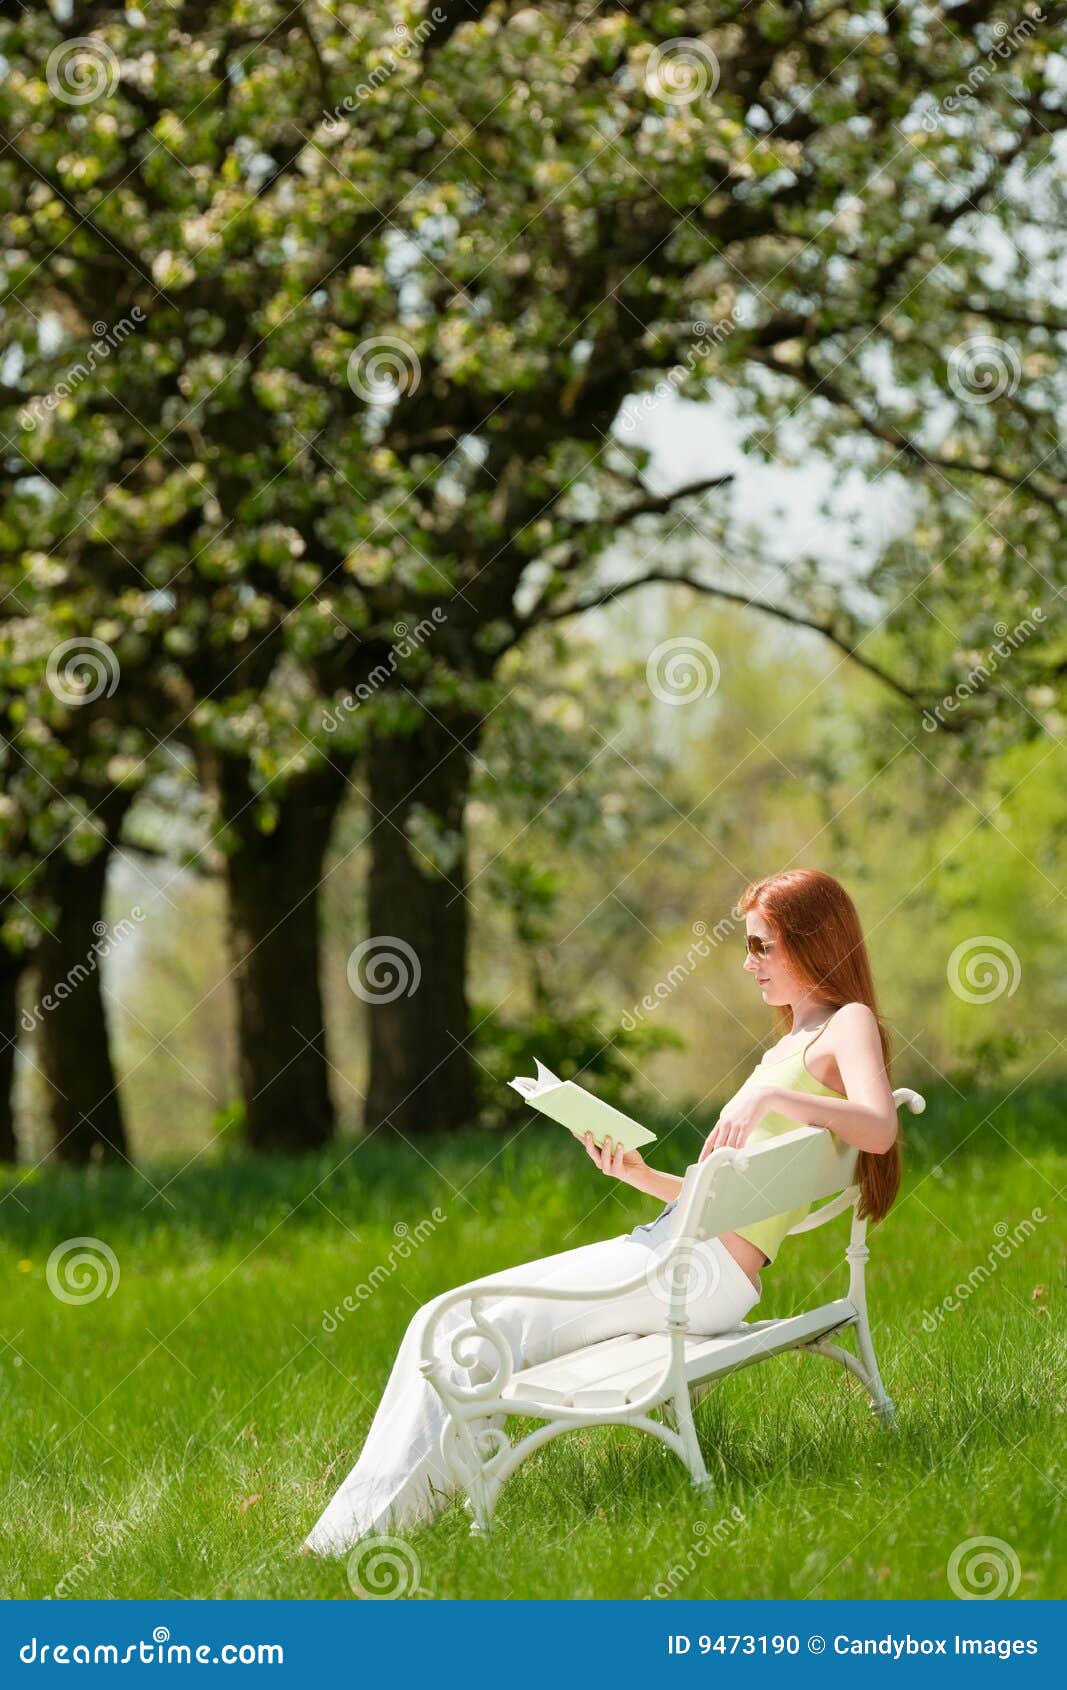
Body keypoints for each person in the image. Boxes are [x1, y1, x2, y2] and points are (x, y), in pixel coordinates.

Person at [301, 867, 902, 1556]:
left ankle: (354, 1542)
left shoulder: (844, 1023)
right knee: (446, 1319)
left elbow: (878, 1128)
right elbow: (730, 1203)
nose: (748, 963)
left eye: (762, 945)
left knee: (461, 1325)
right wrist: (642, 1175)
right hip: (683, 1255)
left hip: (694, 1274)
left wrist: (770, 1100)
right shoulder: (787, 1044)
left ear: (812, 940)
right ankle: (365, 1527)